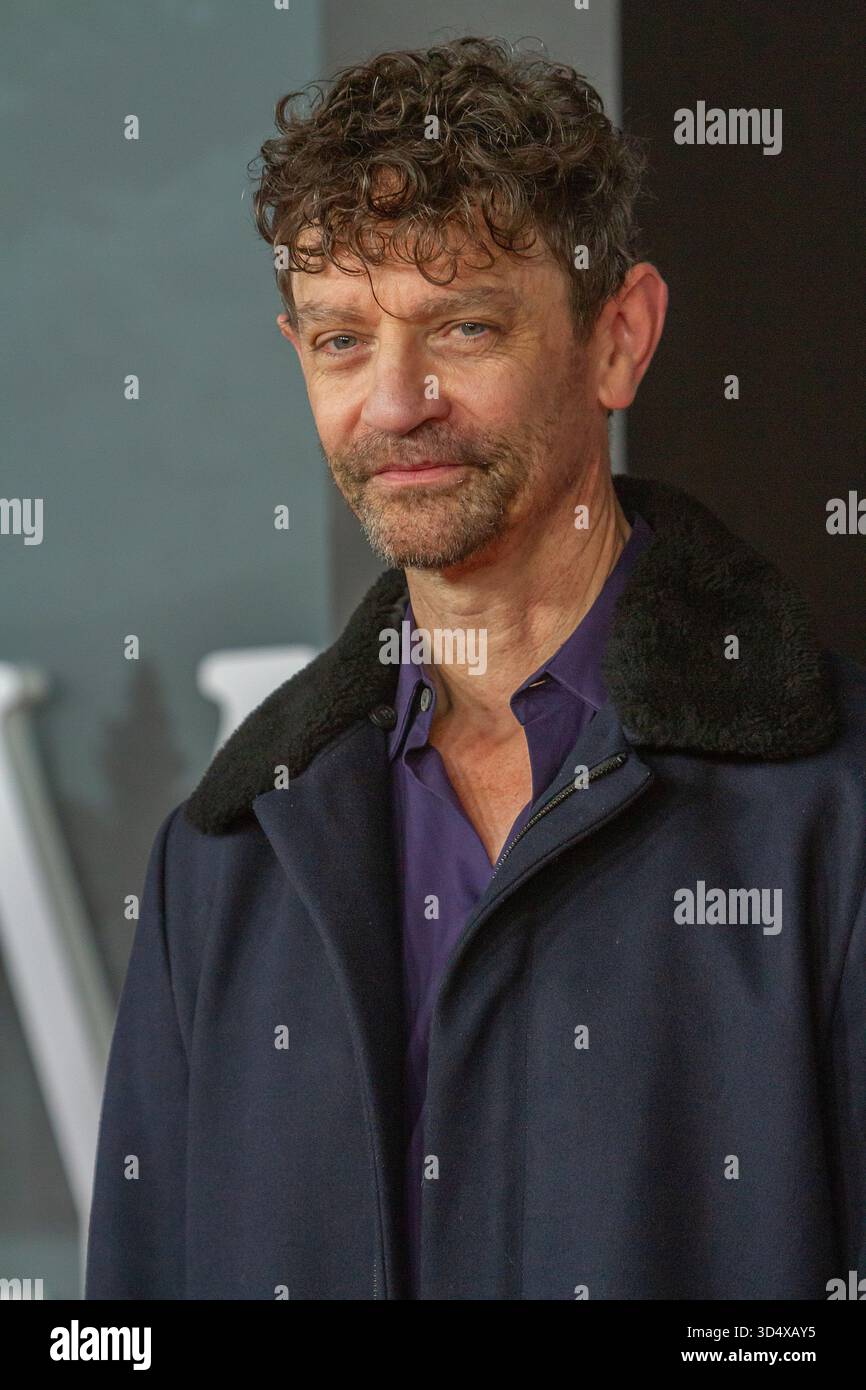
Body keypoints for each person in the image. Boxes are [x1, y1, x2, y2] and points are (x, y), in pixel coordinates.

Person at [85, 36, 865, 1300]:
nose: (395, 402)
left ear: (617, 341)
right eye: (341, 341)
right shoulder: (219, 863)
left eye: (462, 324)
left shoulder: (832, 819)